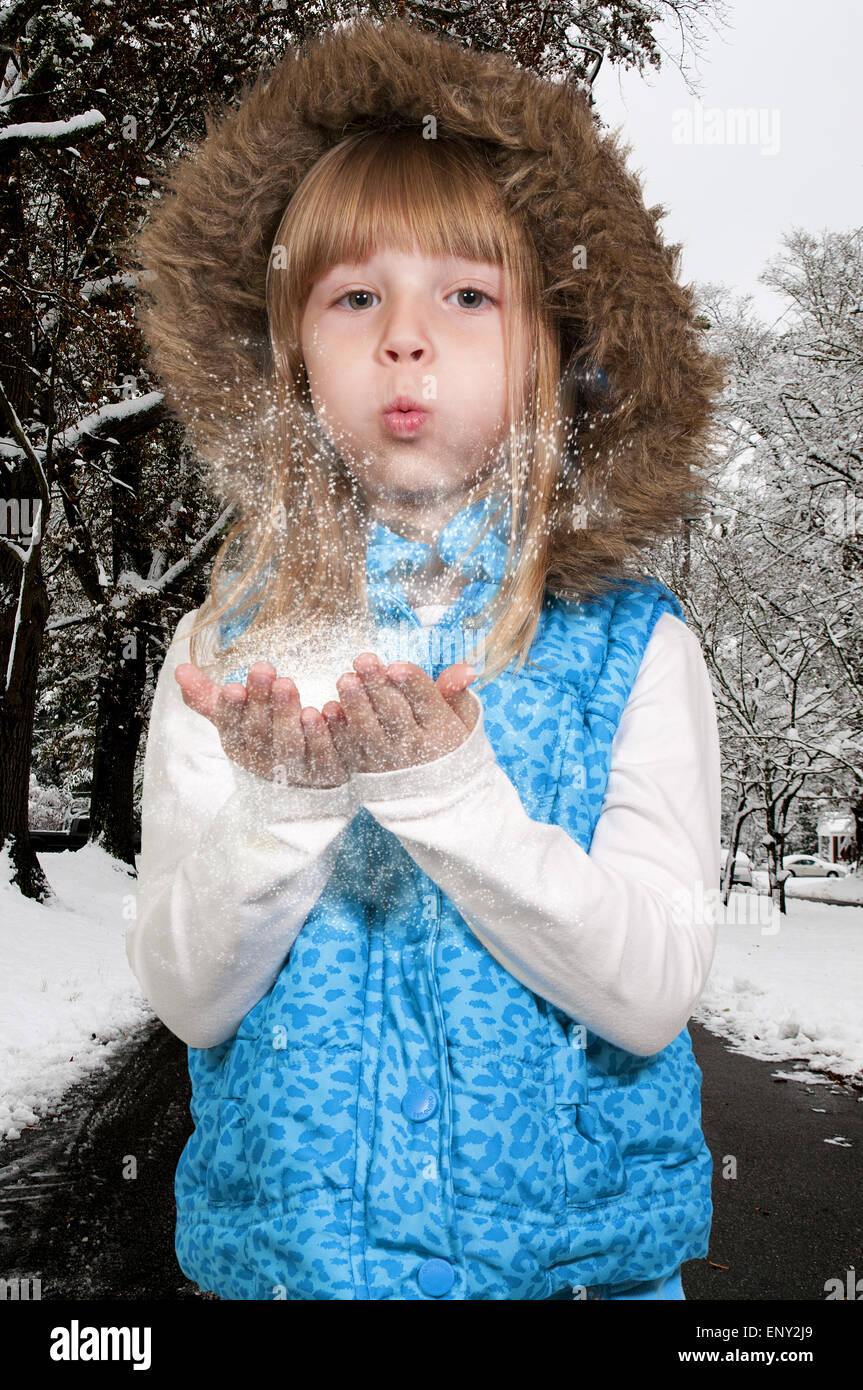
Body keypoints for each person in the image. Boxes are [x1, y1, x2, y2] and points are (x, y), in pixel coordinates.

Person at [127, 16, 725, 1301]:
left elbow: (650, 990)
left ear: (547, 350)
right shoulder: (227, 655)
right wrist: (282, 805)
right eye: (355, 296)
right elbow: (188, 994)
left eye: (466, 294)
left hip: (576, 1283)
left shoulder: (633, 648)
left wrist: (453, 801)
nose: (407, 337)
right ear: (292, 358)